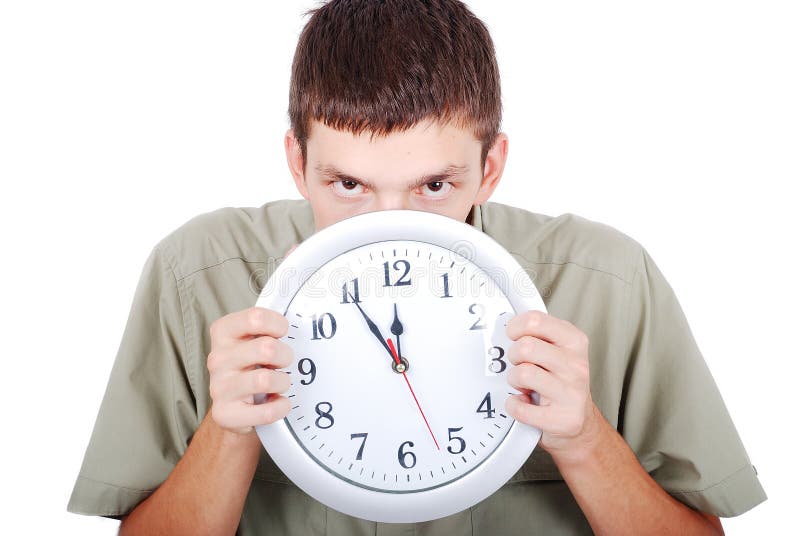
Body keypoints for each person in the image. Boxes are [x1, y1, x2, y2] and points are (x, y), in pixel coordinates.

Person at [67, 1, 766, 534]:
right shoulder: (198, 274)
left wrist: (583, 438)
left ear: (489, 168)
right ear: (297, 164)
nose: (387, 226)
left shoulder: (608, 279)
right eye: (348, 186)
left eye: (434, 186)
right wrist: (229, 431)